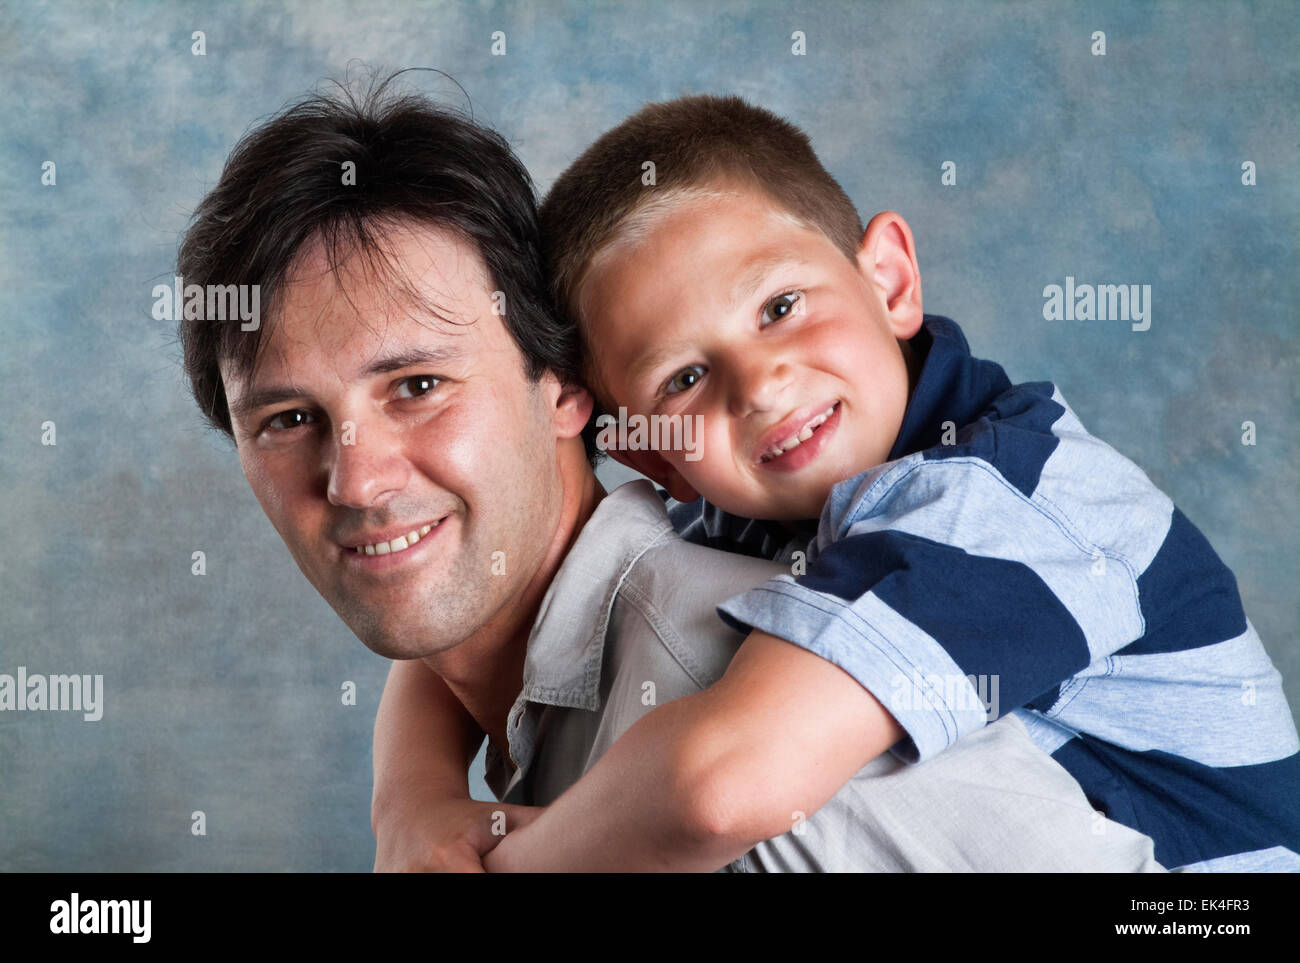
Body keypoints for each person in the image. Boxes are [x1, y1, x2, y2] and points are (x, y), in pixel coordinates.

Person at [177, 79, 1162, 872]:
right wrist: (410, 803)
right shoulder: (572, 649)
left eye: (420, 385)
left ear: (565, 392)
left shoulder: (741, 712)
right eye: (289, 418)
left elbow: (716, 788)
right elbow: (436, 659)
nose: (356, 479)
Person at [383, 94, 1300, 873]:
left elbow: (721, 786)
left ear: (890, 280)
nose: (760, 385)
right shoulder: (750, 505)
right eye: (685, 378)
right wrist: (414, 807)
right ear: (651, 452)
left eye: (780, 307)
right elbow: (448, 639)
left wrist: (505, 855)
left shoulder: (1001, 502)